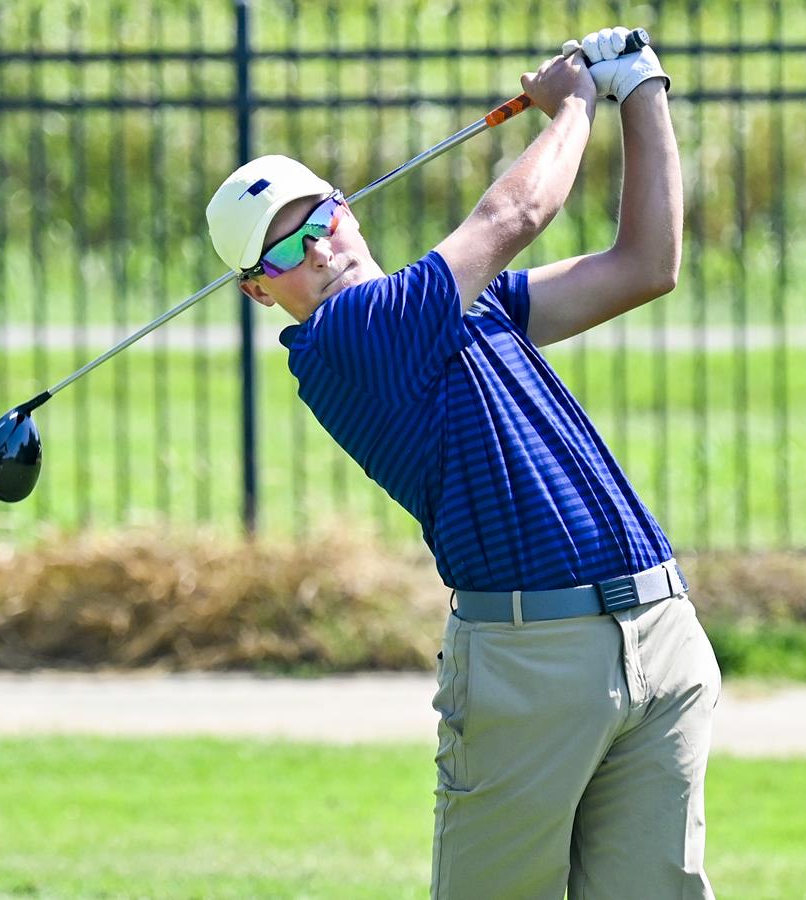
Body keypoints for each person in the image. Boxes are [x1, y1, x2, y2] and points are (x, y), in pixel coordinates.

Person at [205, 27, 717, 899]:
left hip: (659, 637)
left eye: (320, 220)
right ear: (260, 290)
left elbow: (645, 265)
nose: (319, 251)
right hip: (529, 661)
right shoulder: (349, 342)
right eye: (285, 250)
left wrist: (642, 88)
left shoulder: (461, 309)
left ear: (347, 208)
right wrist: (576, 103)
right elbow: (514, 215)